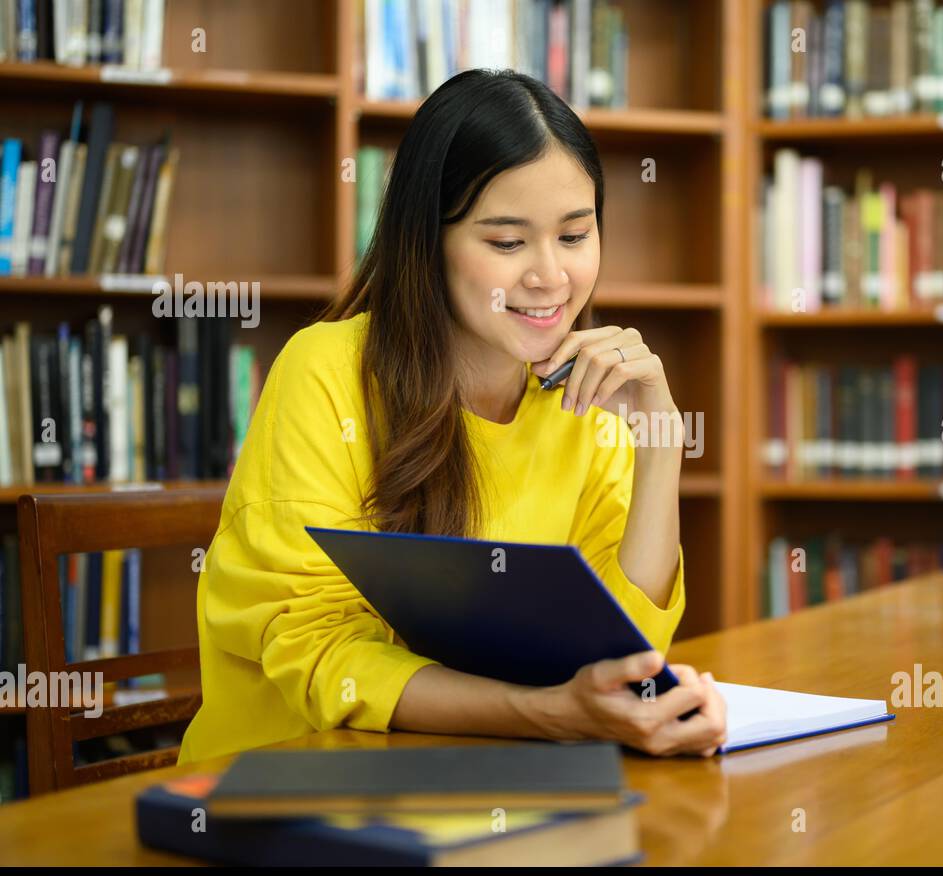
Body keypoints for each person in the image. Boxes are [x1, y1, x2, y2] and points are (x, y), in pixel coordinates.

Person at [178, 68, 728, 764]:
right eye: (506, 243)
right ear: (427, 241)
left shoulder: (589, 401)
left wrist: (661, 441)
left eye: (575, 235)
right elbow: (318, 653)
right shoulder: (323, 371)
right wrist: (545, 713)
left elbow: (626, 655)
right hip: (287, 785)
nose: (549, 276)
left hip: (482, 780)